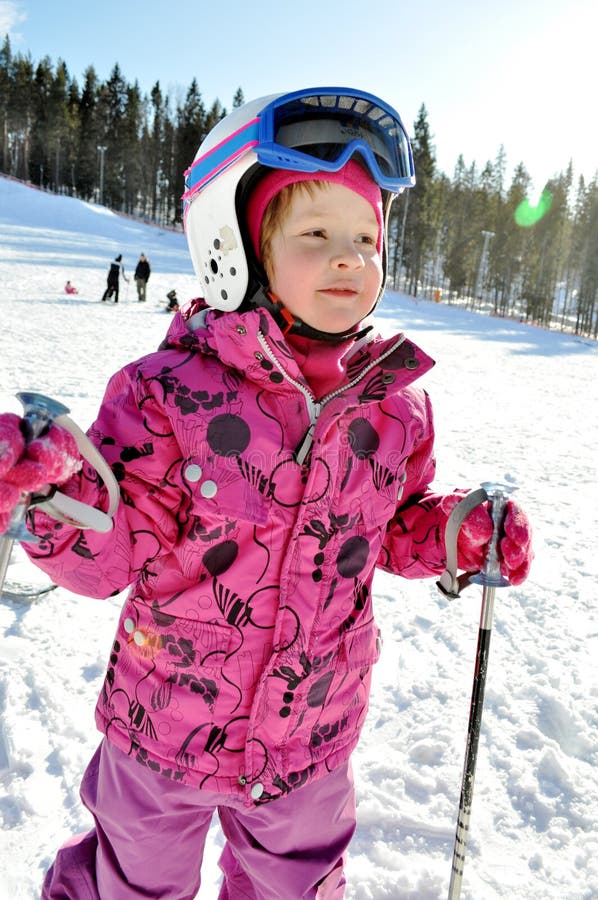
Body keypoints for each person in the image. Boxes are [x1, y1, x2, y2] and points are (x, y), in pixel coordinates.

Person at [0, 87, 533, 899]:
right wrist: (53, 499)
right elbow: (113, 554)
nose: (349, 257)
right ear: (233, 246)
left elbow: (392, 527)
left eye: (365, 237)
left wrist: (455, 531)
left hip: (309, 740)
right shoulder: (166, 393)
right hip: (162, 732)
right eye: (315, 234)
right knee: (129, 885)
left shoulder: (397, 409)